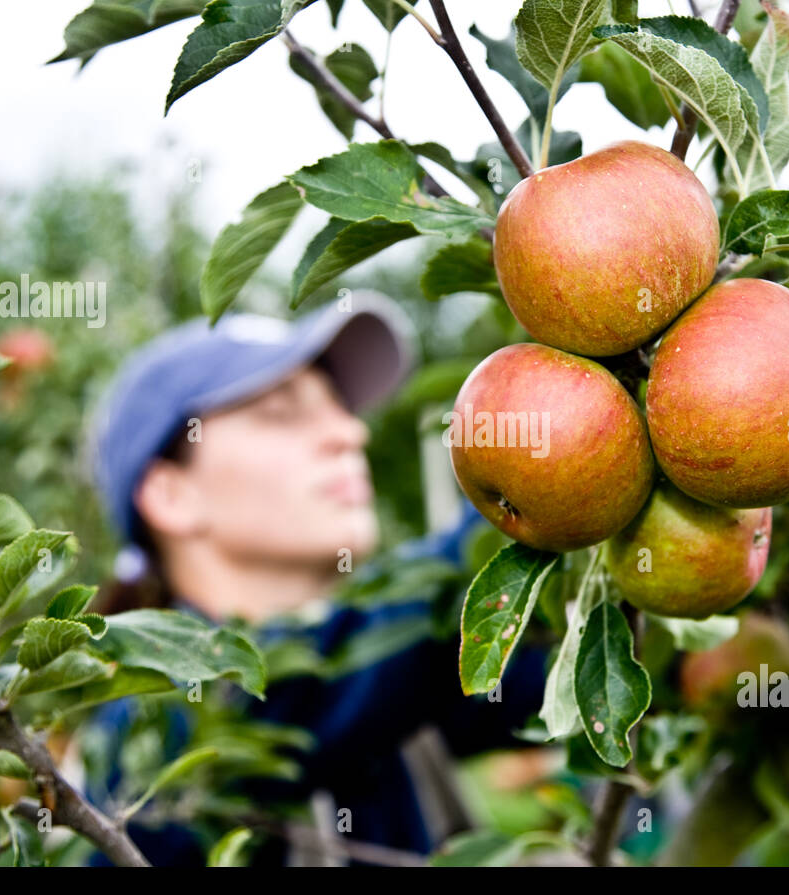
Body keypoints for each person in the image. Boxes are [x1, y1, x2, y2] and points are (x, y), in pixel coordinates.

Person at [82, 291, 549, 865]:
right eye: (283, 412)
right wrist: (552, 456)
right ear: (171, 495)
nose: (351, 435)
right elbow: (307, 684)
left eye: (339, 407)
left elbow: (555, 685)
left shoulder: (392, 683)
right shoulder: (154, 721)